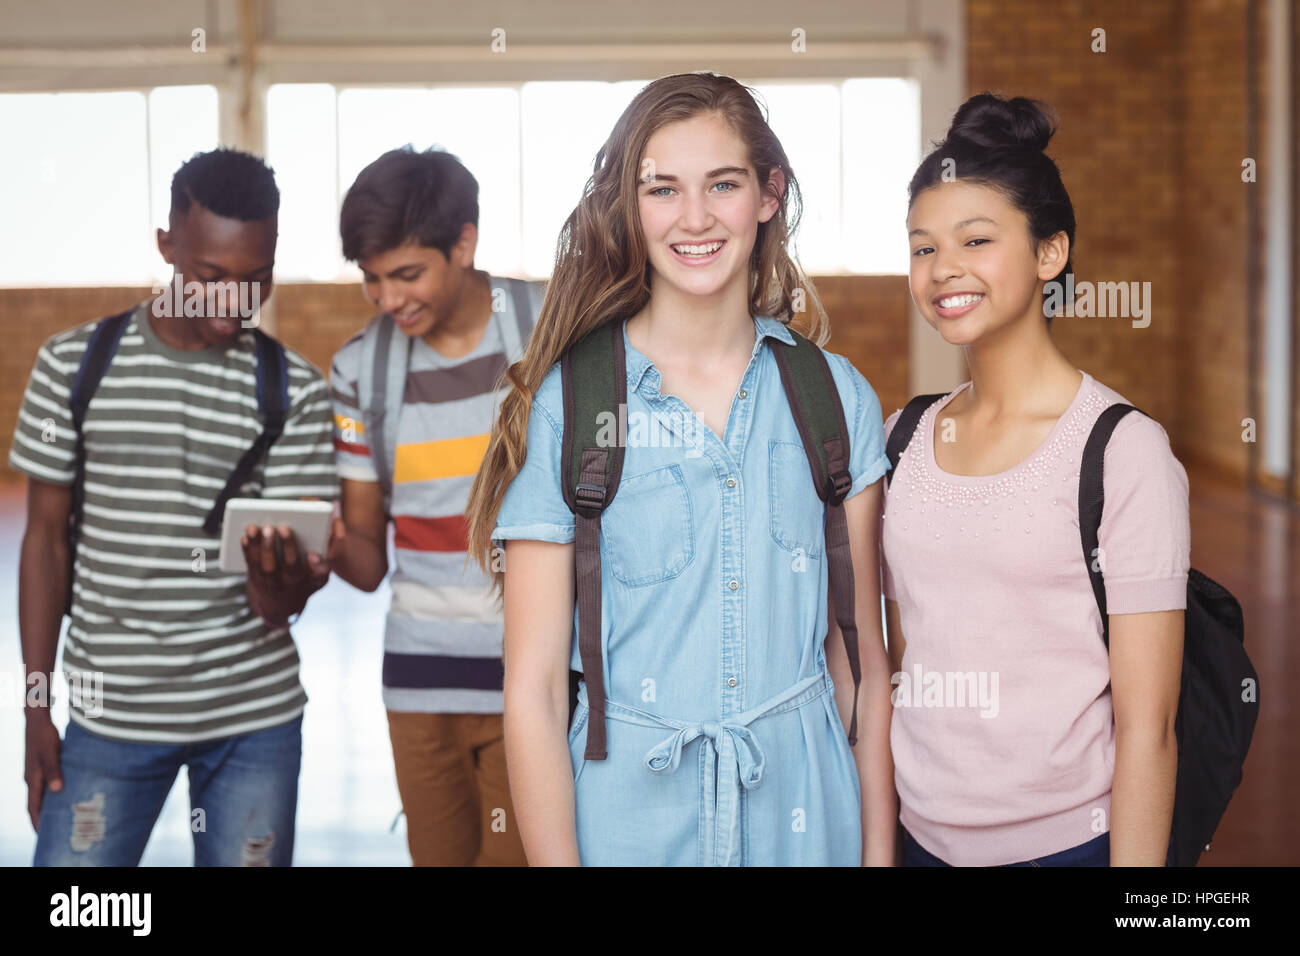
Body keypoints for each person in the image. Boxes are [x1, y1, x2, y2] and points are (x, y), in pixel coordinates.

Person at [466, 72, 896, 866]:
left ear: (768, 195)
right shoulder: (574, 403)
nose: (694, 218)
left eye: (722, 185)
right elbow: (530, 692)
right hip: (628, 823)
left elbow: (861, 665)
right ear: (630, 208)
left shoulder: (835, 397)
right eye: (662, 189)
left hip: (805, 818)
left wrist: (875, 857)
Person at [13, 147, 339, 866]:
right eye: (210, 277)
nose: (234, 302)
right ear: (167, 246)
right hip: (110, 716)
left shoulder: (297, 393)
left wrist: (284, 580)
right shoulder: (73, 366)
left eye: (256, 280)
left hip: (253, 719)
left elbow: (278, 607)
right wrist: (37, 706)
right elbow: (44, 544)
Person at [885, 93, 1188, 867]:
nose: (942, 269)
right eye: (922, 248)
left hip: (1065, 848)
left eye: (975, 240)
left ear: (1050, 254)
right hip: (915, 836)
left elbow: (1149, 729)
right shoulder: (904, 435)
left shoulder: (1123, 452)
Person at [326, 146, 535, 866]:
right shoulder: (360, 371)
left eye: (407, 274)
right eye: (372, 280)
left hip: (532, 685)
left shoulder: (551, 331)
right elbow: (363, 561)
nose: (389, 299)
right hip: (419, 690)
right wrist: (303, 549)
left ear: (464, 243)